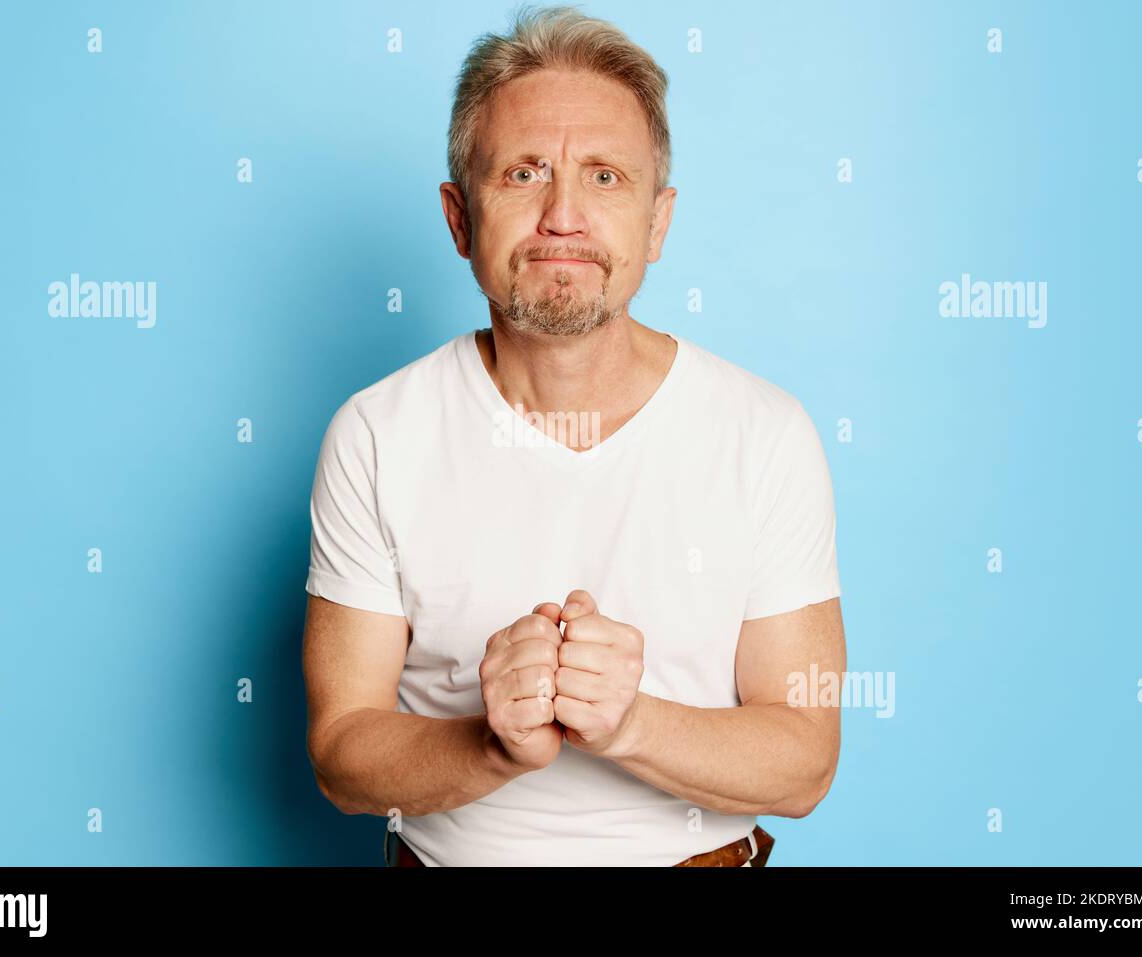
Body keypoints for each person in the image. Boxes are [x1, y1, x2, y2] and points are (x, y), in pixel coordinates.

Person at [301, 4, 846, 866]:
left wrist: (630, 721)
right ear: (458, 218)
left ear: (658, 222)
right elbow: (341, 754)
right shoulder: (374, 433)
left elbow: (805, 762)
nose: (563, 216)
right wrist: (489, 743)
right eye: (523, 174)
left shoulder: (765, 434)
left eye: (604, 177)